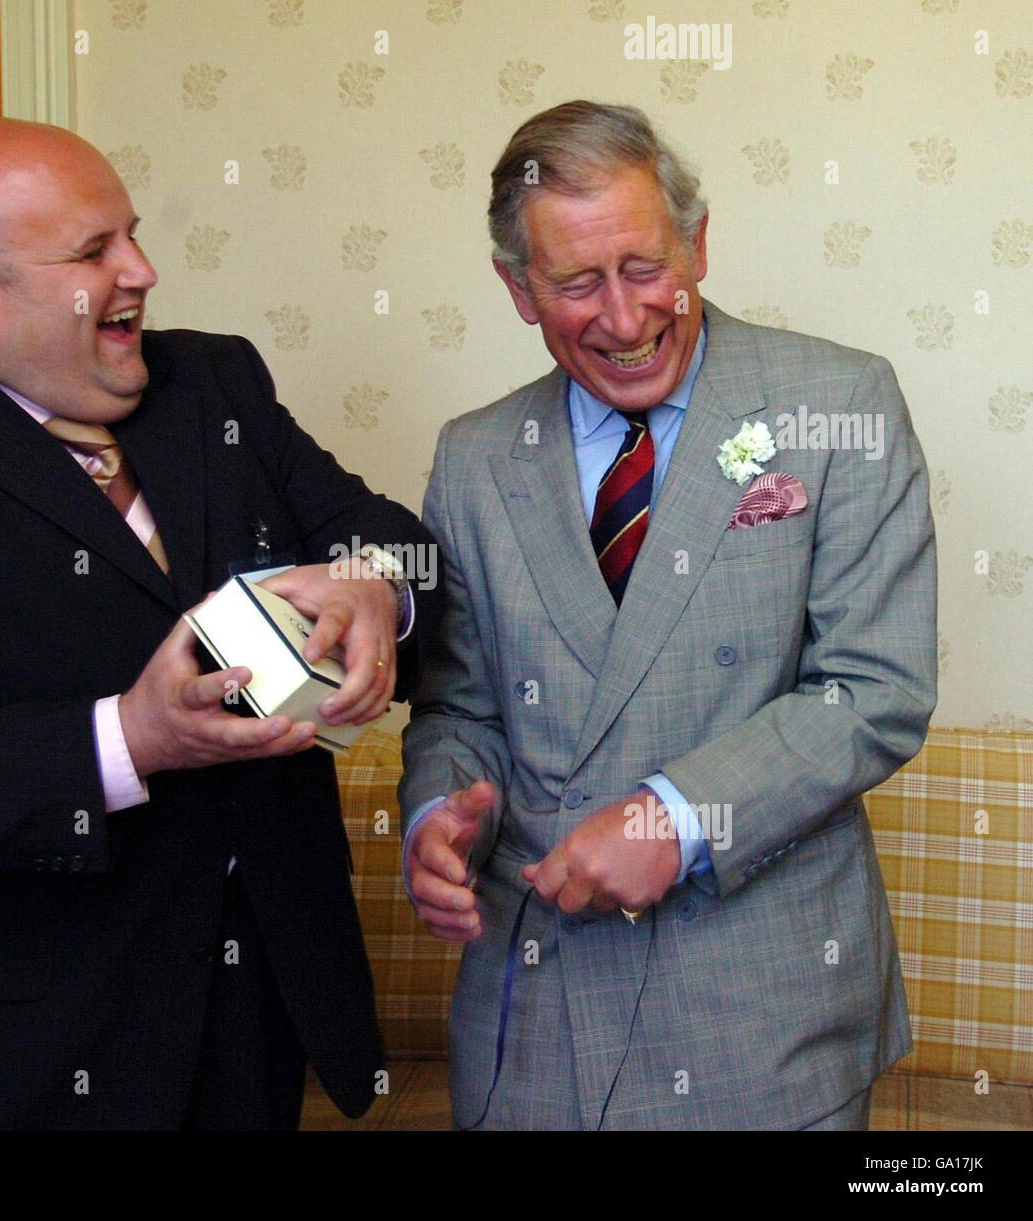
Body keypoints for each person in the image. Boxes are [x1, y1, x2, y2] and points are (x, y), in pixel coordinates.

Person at [0, 116, 441, 1131]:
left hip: (250, 1016)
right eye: (92, 250)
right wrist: (129, 740)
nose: (143, 269)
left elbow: (396, 547)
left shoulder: (213, 384)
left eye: (132, 233)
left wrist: (373, 584)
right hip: (0, 1053)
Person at [399, 101, 936, 1130]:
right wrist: (436, 811)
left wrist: (676, 817)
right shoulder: (472, 457)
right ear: (518, 290)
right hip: (536, 1007)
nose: (622, 317)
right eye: (573, 283)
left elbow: (875, 690)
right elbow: (455, 710)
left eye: (644, 267)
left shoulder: (842, 406)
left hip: (763, 1016)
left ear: (697, 242)